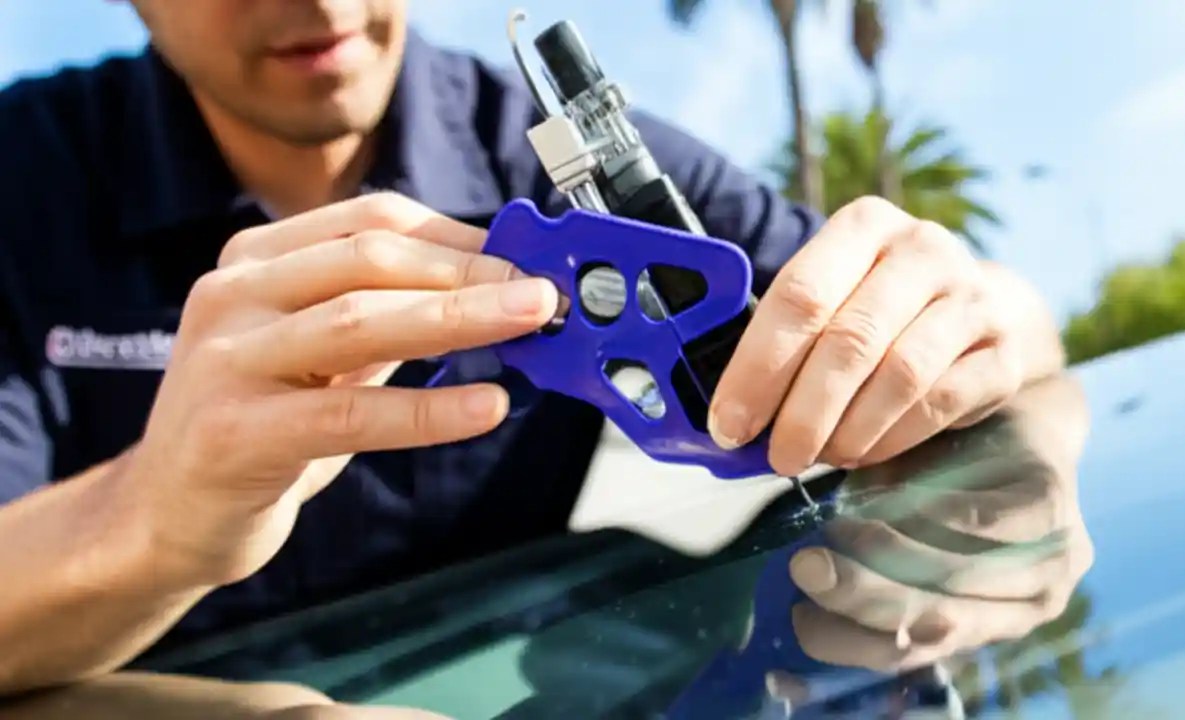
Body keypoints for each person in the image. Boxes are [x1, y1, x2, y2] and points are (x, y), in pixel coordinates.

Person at [0, 0, 1066, 698]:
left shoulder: (553, 149)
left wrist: (980, 327)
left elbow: (990, 332)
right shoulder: (23, 178)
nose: (317, 3)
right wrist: (151, 525)